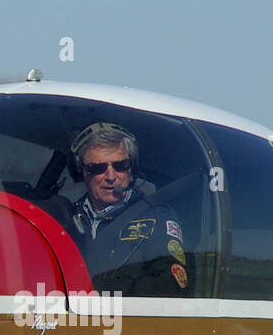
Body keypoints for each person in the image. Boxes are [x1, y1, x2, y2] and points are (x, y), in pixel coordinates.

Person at [66, 122, 190, 296]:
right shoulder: (65, 218)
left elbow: (168, 285)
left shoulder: (157, 219)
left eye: (120, 166)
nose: (111, 176)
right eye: (98, 168)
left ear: (132, 169)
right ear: (81, 172)